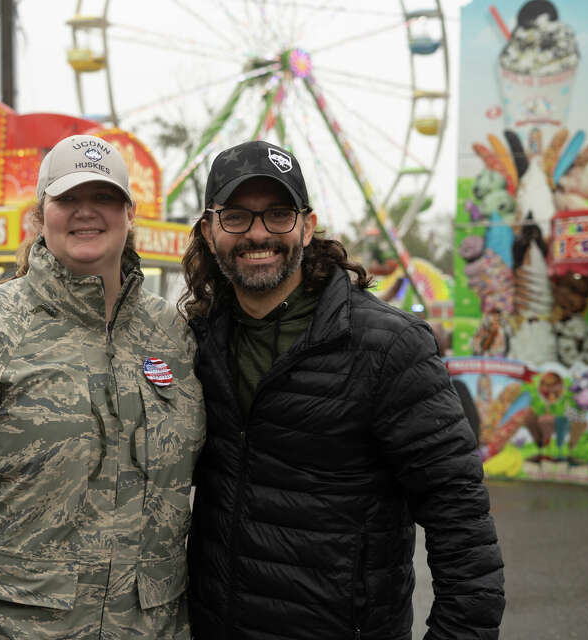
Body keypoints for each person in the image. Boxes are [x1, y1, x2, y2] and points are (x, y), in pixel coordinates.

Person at [0, 134, 205, 639]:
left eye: (104, 198)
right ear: (39, 215)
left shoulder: (174, 337)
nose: (86, 213)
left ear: (130, 213)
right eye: (68, 199)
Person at [180, 141, 505, 639]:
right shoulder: (195, 342)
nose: (259, 233)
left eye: (279, 215)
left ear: (307, 227)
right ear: (209, 230)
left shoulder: (388, 346)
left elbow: (460, 519)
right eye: (237, 217)